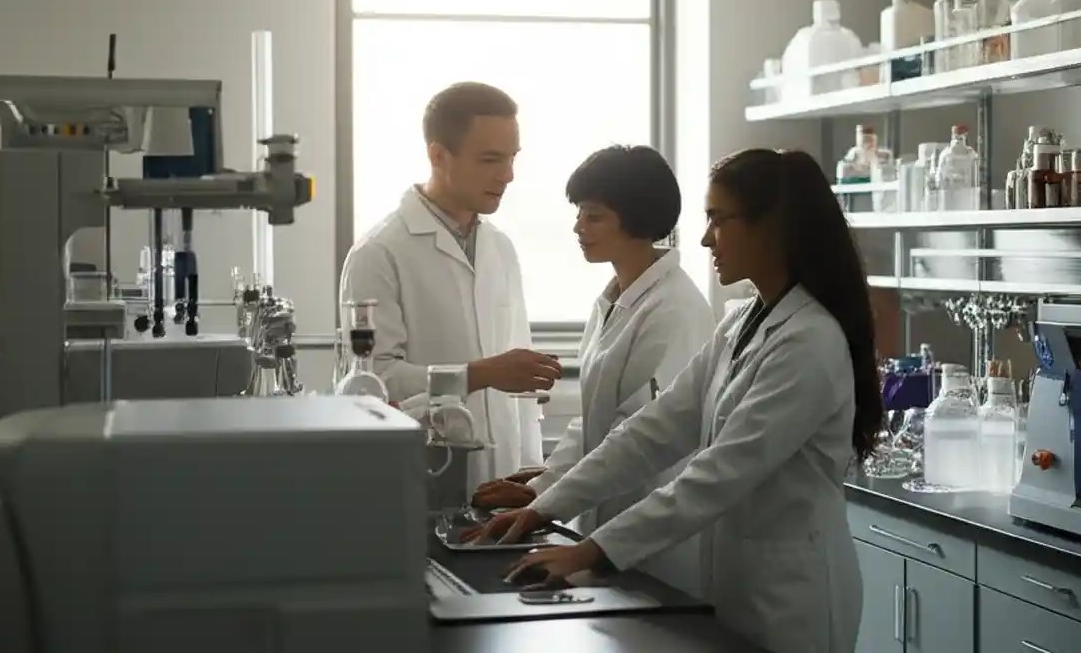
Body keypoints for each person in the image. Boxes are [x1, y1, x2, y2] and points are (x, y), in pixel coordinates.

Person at [468, 149, 883, 653]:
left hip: (793, 597)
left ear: (772, 227)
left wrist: (592, 551)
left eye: (718, 220)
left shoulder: (810, 342)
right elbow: (652, 430)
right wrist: (545, 505)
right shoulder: (741, 321)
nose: (706, 237)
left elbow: (720, 473)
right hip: (735, 583)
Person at [471, 145, 715, 595]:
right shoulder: (613, 301)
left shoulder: (674, 311)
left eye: (594, 216)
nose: (579, 228)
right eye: (579, 214)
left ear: (638, 219)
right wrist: (542, 486)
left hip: (651, 533)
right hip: (607, 520)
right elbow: (594, 420)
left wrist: (546, 499)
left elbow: (640, 435)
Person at [338, 82, 562, 490]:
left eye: (512, 158)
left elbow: (521, 385)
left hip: (505, 483)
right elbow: (374, 380)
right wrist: (481, 374)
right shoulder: (379, 253)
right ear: (438, 155)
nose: (508, 175)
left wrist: (531, 475)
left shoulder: (500, 248)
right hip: (424, 478)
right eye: (490, 159)